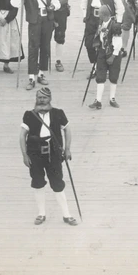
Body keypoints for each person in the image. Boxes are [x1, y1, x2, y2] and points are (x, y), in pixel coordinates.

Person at [19, 87, 78, 226]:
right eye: (39, 97)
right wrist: (24, 155)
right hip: (34, 154)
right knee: (37, 182)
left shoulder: (58, 113)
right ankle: (41, 214)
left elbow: (67, 130)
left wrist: (67, 149)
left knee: (57, 183)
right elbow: (22, 135)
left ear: (50, 98)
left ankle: (67, 215)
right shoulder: (28, 114)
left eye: (44, 97)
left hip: (54, 154)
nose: (41, 100)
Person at [13, 0, 60, 90]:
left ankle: (41, 74)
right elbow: (14, 3)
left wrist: (53, 6)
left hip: (47, 21)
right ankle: (31, 78)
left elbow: (57, 1)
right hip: (34, 22)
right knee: (33, 48)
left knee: (45, 47)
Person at [81, 0, 123, 76]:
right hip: (91, 19)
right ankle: (94, 66)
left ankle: (105, 68)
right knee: (89, 44)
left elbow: (120, 7)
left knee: (105, 43)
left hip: (105, 20)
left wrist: (118, 23)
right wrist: (85, 15)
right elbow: (84, 2)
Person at [87, 5, 123, 109]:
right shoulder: (101, 24)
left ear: (105, 15)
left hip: (113, 53)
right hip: (102, 52)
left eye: (100, 14)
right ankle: (98, 100)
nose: (99, 16)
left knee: (113, 76)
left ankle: (112, 98)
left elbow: (118, 42)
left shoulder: (115, 26)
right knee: (100, 76)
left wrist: (113, 56)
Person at [45, 0, 71, 72]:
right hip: (46, 12)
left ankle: (58, 61)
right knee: (45, 35)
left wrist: (54, 6)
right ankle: (44, 60)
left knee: (60, 36)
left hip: (60, 12)